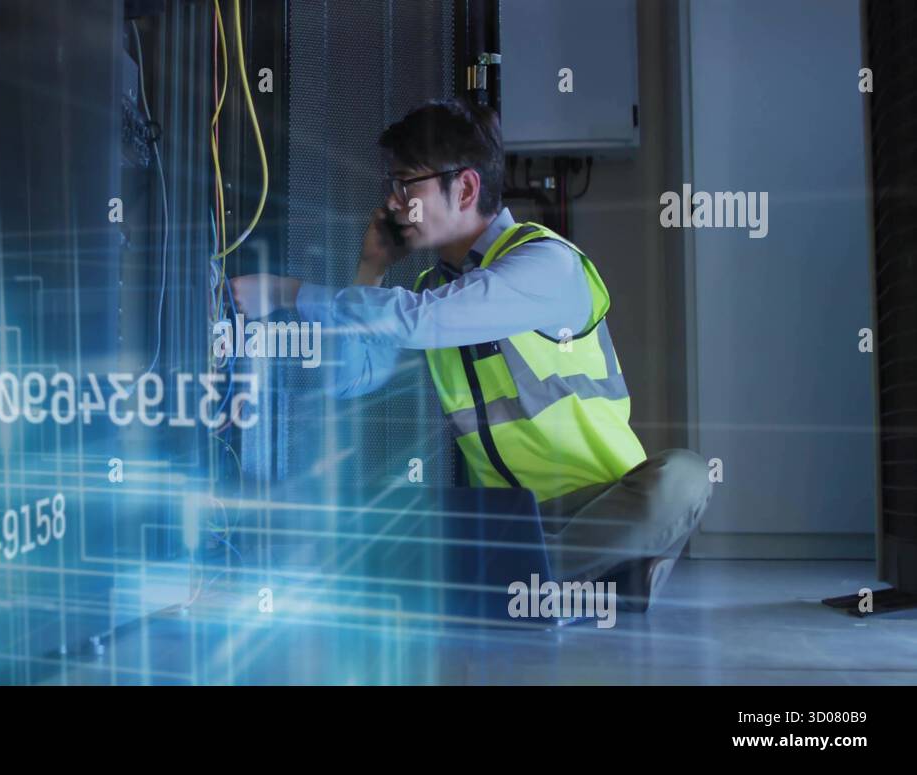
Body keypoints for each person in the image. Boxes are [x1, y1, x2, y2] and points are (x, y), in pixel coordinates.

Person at [229, 98, 712, 611]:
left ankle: (523, 580)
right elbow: (353, 378)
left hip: (603, 501)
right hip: (507, 520)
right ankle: (589, 580)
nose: (392, 203)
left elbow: (422, 319)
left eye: (405, 185)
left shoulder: (546, 263)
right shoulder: (430, 291)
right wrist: (369, 268)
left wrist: (285, 292)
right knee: (384, 527)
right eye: (391, 186)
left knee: (683, 479)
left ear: (464, 188)